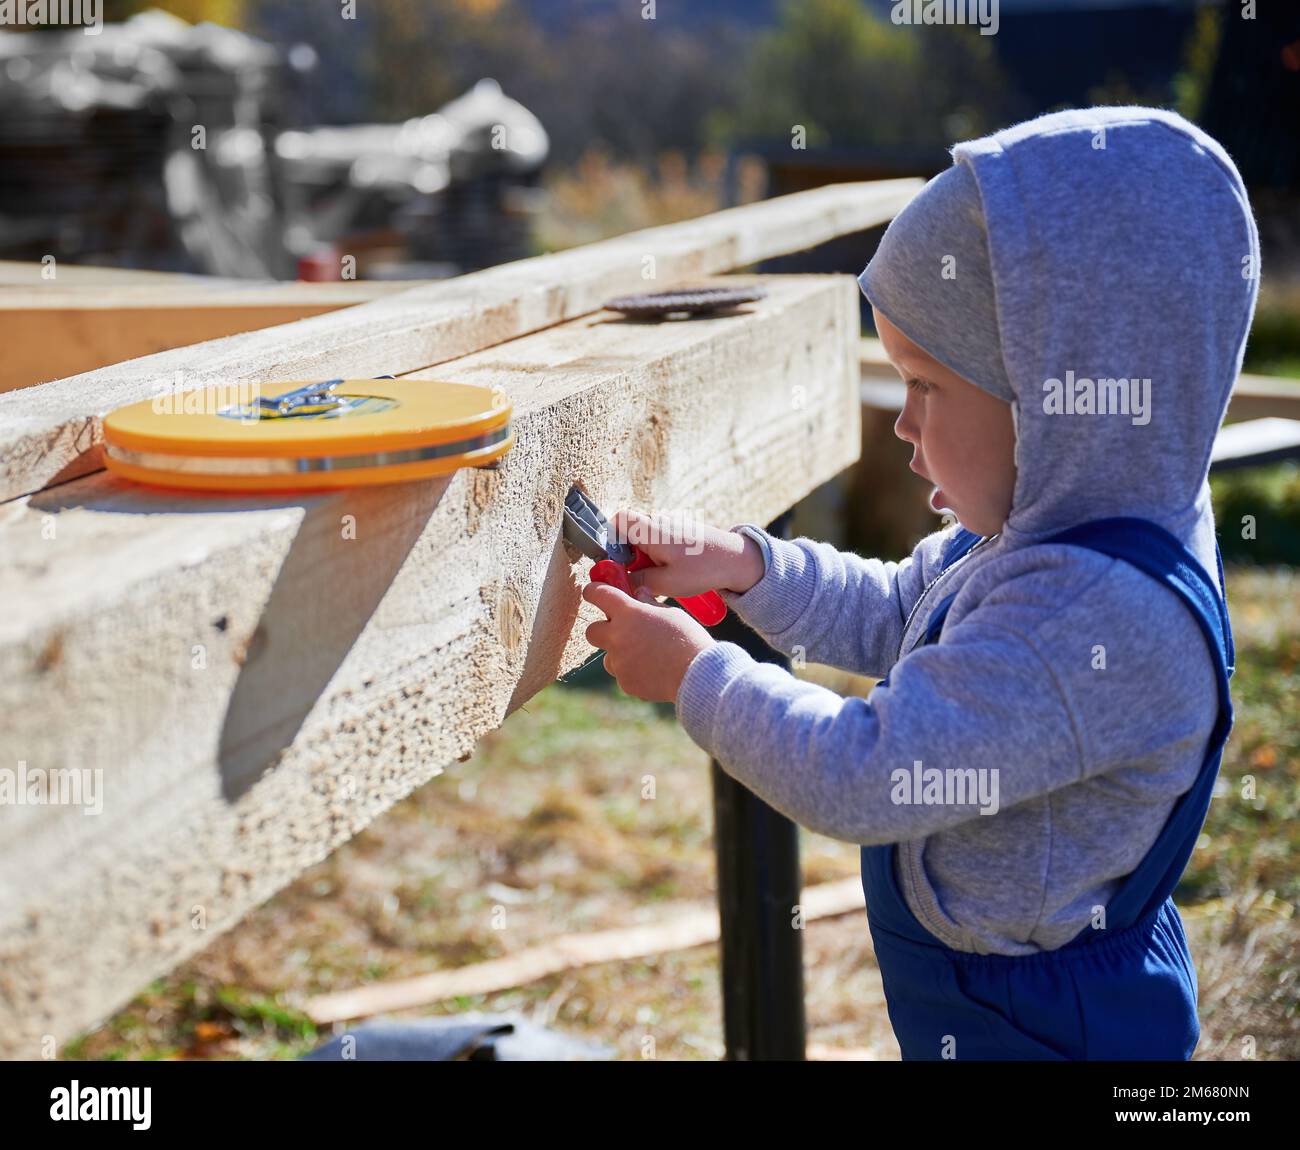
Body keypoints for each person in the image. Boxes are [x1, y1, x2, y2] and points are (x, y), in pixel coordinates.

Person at [581, 105, 1257, 1060]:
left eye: (927, 386)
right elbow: (904, 611)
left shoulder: (1090, 619)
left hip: (1050, 1034)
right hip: (989, 1001)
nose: (901, 423)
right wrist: (747, 567)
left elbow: (866, 775)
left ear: (1057, 397)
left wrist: (696, 676)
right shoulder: (1051, 523)